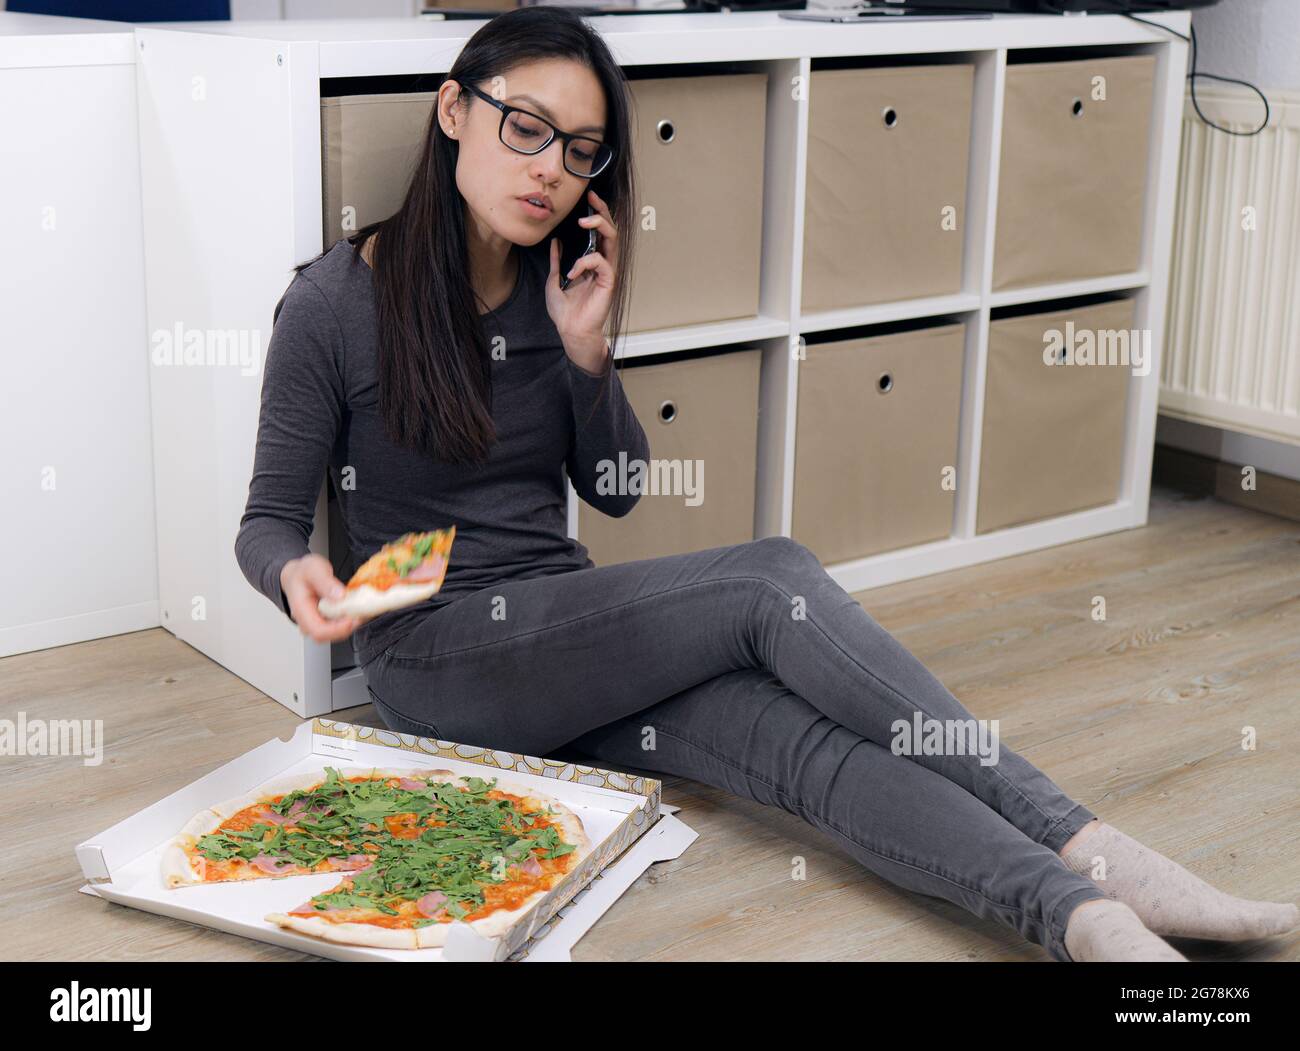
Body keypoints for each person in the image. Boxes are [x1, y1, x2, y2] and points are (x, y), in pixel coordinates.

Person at [235, 7, 1297, 963]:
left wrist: (587, 356)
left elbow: (613, 490)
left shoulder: (557, 290)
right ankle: (1082, 832)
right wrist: (297, 576)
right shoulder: (332, 303)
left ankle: (1081, 915)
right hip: (436, 656)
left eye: (581, 149)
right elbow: (265, 521)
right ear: (454, 112)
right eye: (526, 127)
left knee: (798, 747)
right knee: (767, 580)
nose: (550, 167)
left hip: (558, 635)